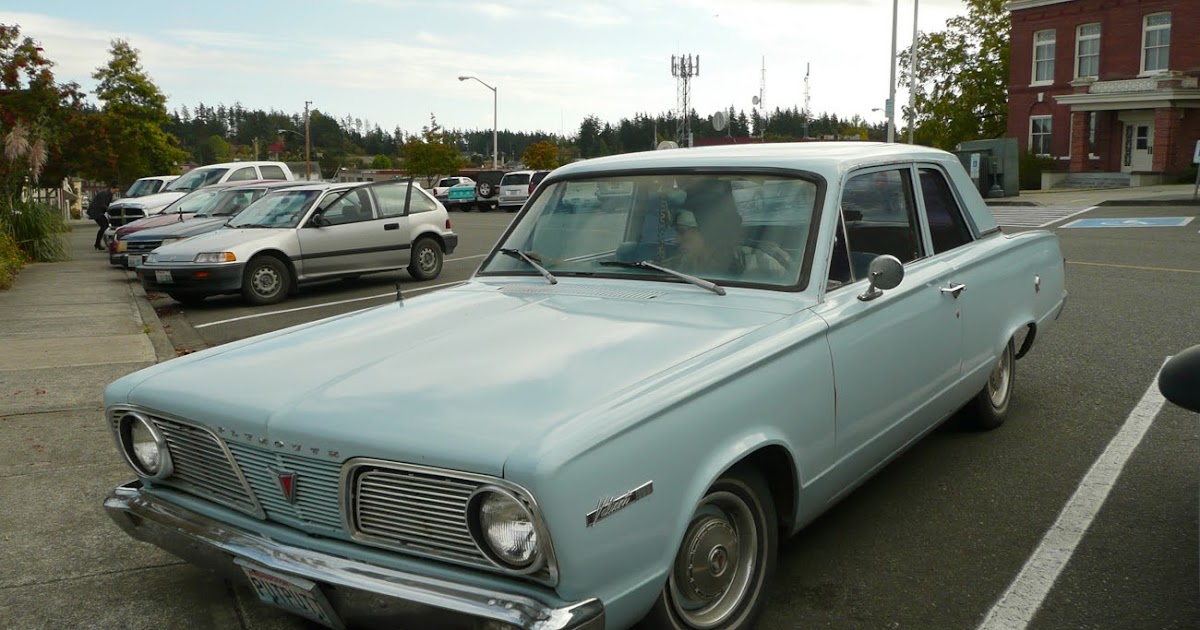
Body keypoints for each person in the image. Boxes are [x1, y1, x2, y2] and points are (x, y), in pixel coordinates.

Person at [87, 182, 118, 250]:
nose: (115, 193)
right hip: (95, 211)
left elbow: (107, 205)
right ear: (111, 188)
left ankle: (101, 243)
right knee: (104, 227)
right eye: (115, 191)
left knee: (106, 226)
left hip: (99, 212)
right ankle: (97, 244)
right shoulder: (105, 194)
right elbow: (103, 204)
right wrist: (109, 211)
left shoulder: (109, 195)